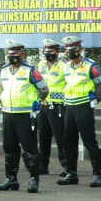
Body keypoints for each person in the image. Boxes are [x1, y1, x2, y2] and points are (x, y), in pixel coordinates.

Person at [0, 39, 49, 193]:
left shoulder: (31, 71)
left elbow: (44, 89)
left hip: (25, 114)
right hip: (8, 113)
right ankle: (11, 179)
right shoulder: (4, 71)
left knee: (30, 148)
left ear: (22, 53)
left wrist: (37, 102)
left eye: (16, 52)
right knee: (9, 147)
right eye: (10, 53)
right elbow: (1, 88)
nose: (13, 56)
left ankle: (34, 179)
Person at [57, 36, 101, 187]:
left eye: (73, 50)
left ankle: (97, 175)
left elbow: (100, 85)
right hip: (69, 106)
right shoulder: (65, 66)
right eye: (68, 50)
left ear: (80, 49)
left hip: (84, 104)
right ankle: (72, 174)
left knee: (89, 140)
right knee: (68, 141)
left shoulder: (91, 66)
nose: (70, 53)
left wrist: (95, 99)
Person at [36, 39, 67, 175]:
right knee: (43, 137)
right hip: (43, 105)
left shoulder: (64, 66)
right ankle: (43, 166)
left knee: (61, 138)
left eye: (52, 51)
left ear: (57, 52)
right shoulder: (40, 64)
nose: (49, 54)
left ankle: (66, 165)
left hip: (58, 106)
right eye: (46, 51)